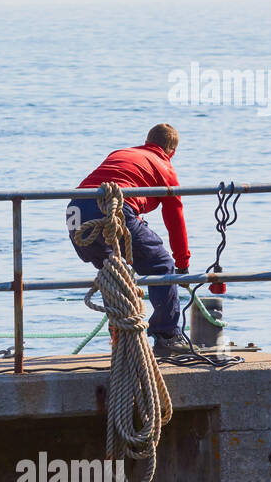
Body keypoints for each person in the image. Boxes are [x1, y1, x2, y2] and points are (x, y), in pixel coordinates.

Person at [67, 124, 191, 356]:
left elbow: (120, 181)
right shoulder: (165, 166)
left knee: (111, 271)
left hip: (76, 209)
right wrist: (182, 263)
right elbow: (176, 220)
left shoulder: (122, 153)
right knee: (161, 265)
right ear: (172, 151)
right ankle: (168, 335)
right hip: (112, 209)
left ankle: (120, 335)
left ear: (147, 141)